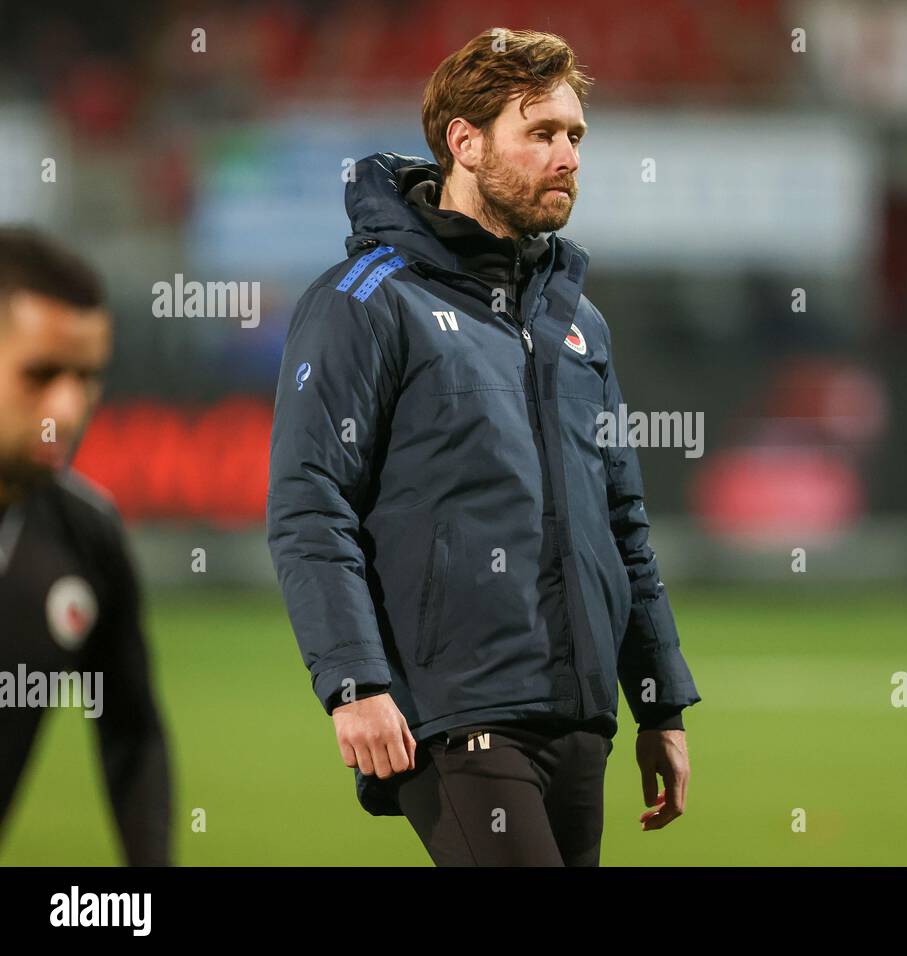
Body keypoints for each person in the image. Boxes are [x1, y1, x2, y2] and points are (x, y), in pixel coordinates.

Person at [266, 28, 701, 866]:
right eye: (541, 133)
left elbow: (622, 524)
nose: (567, 157)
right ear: (465, 142)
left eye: (575, 135)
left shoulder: (578, 319)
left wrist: (659, 703)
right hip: (455, 711)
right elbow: (310, 506)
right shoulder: (365, 300)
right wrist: (354, 683)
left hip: (578, 715)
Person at [0, 226, 172, 865]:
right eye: (41, 374)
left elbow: (132, 735)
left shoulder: (84, 536)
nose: (69, 409)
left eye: (87, 376)